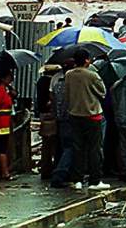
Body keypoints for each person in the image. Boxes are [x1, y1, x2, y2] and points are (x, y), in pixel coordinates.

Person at [66, 49, 109, 190]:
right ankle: (94, 180)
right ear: (86, 60)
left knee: (77, 148)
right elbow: (102, 92)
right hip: (92, 116)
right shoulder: (92, 75)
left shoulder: (69, 75)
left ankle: (77, 180)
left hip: (74, 115)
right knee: (94, 149)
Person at [49, 59, 76, 187]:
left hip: (60, 119)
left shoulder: (57, 85)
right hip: (70, 119)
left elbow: (53, 101)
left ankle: (61, 172)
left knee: (62, 146)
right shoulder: (71, 86)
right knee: (70, 148)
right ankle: (59, 174)